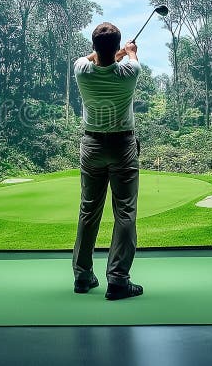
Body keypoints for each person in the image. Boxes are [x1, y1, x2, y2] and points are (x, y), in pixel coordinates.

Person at [72, 22, 143, 301]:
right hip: (122, 145)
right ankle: (118, 281)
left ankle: (82, 276)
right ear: (117, 48)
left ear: (93, 47)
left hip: (92, 145)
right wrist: (129, 51)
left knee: (88, 210)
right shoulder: (130, 72)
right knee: (124, 212)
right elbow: (132, 59)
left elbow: (94, 58)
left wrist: (113, 53)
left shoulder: (81, 69)